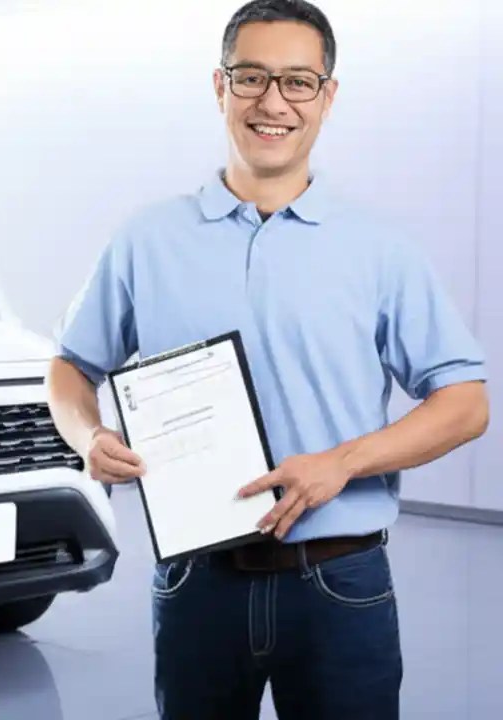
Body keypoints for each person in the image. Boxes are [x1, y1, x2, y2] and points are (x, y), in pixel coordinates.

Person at [46, 1, 490, 717]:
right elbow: (70, 367)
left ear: (328, 96)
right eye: (251, 78)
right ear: (219, 87)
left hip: (341, 581)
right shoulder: (146, 239)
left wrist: (342, 462)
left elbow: (466, 403)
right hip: (195, 584)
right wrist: (87, 436)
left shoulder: (379, 247)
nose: (273, 102)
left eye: (298, 81)